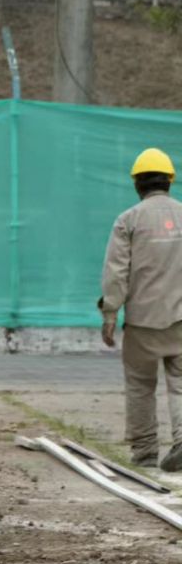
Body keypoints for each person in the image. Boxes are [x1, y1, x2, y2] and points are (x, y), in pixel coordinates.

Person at [100, 147, 182, 470]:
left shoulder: (127, 221)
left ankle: (145, 451)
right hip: (180, 319)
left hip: (142, 324)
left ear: (137, 184)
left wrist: (110, 314)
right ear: (169, 181)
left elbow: (116, 272)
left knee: (139, 385)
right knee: (180, 382)